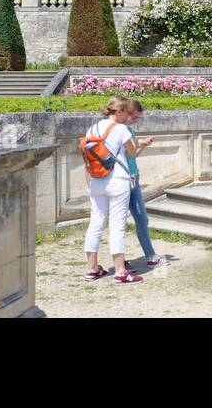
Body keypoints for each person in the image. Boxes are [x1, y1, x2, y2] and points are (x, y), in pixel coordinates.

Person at [82, 96, 144, 286]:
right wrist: (139, 144)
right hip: (117, 181)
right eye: (126, 112)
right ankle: (120, 271)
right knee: (117, 225)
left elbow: (86, 157)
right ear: (118, 112)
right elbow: (132, 153)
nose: (128, 116)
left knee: (95, 224)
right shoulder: (120, 129)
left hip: (96, 180)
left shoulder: (92, 129)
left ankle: (92, 268)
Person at [122, 99, 162, 269]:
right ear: (128, 114)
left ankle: (150, 254)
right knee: (119, 221)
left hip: (133, 177)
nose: (136, 121)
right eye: (136, 117)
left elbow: (131, 156)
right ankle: (120, 259)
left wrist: (142, 146)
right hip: (122, 179)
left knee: (141, 217)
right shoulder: (120, 130)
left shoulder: (129, 130)